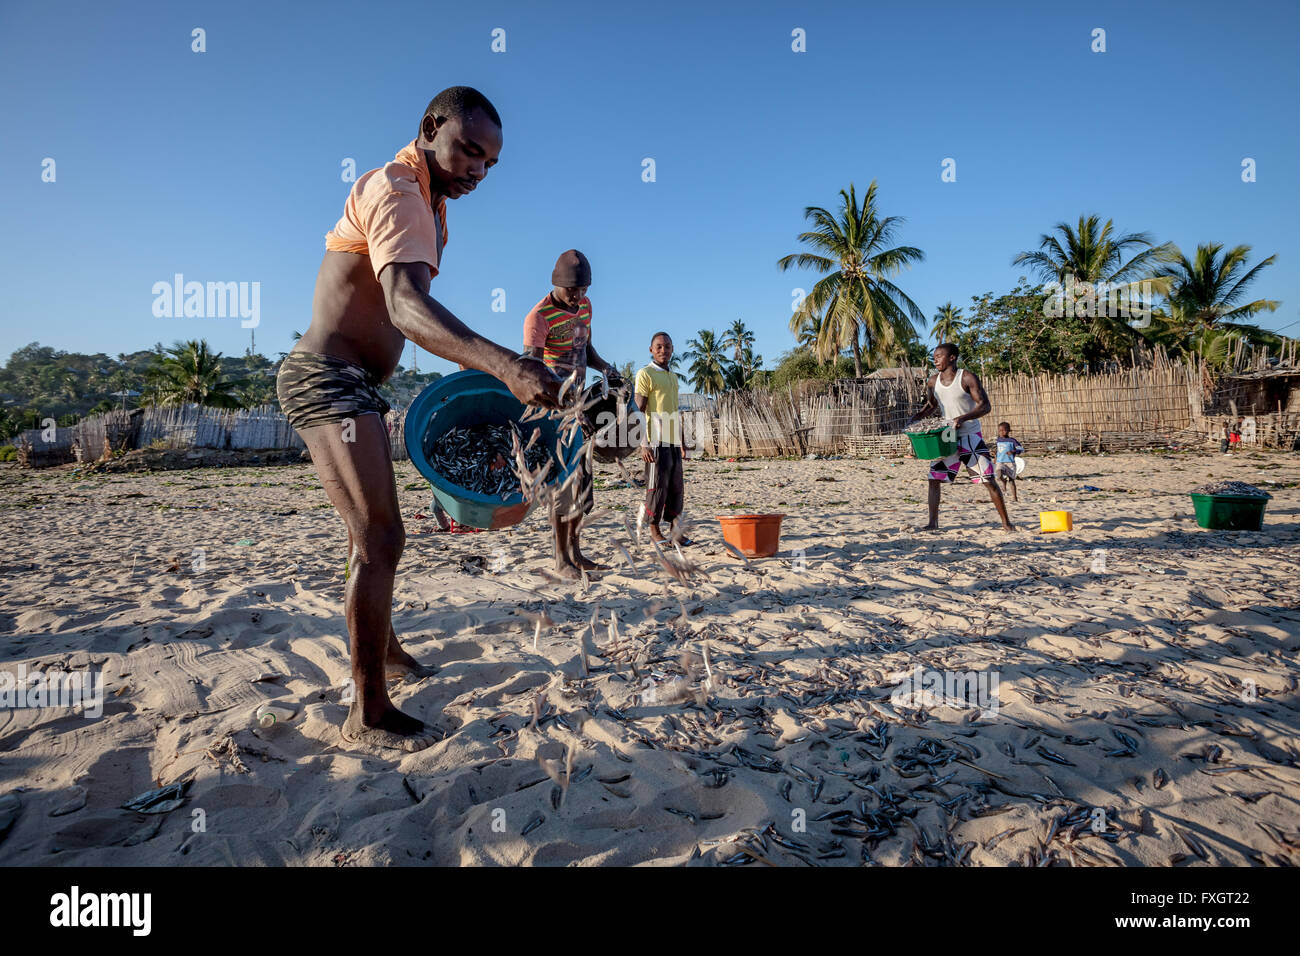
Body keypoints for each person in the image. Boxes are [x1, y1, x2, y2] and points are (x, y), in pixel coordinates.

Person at [276, 87, 561, 752]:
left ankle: (389, 655)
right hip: (326, 377)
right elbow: (404, 306)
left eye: (489, 162)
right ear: (430, 128)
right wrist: (508, 367)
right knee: (381, 540)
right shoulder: (398, 187)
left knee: (368, 538)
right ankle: (368, 712)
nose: (477, 170)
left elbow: (405, 310)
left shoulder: (431, 204)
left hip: (358, 384)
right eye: (468, 150)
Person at [522, 250, 622, 579]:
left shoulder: (586, 308)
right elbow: (531, 368)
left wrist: (604, 366)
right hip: (554, 413)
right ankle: (560, 558)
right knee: (563, 487)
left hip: (580, 407)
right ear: (557, 285)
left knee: (583, 486)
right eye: (572, 291)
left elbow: (585, 349)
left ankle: (577, 553)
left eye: (584, 290)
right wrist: (554, 398)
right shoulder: (538, 316)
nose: (578, 297)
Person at [907, 343, 1014, 531]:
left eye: (940, 356)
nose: (936, 359)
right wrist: (916, 418)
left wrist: (962, 418)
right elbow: (931, 405)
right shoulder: (933, 381)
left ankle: (1006, 523)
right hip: (946, 437)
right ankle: (933, 524)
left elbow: (984, 406)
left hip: (970, 435)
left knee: (988, 479)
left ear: (952, 357)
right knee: (934, 479)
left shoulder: (966, 377)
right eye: (934, 356)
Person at [635, 332, 688, 543]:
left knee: (676, 487)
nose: (663, 350)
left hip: (673, 440)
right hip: (655, 441)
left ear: (673, 349)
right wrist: (643, 444)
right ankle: (655, 531)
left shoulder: (673, 377)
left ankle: (676, 531)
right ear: (651, 350)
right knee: (657, 486)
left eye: (667, 346)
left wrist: (682, 441)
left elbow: (674, 410)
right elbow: (638, 409)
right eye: (658, 347)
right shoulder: (645, 374)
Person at [993, 421, 1024, 503]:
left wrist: (1013, 451)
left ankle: (1015, 497)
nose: (1002, 432)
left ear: (1009, 431)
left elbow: (1021, 449)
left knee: (1011, 480)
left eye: (1004, 430)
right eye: (1000, 430)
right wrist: (995, 457)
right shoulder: (998, 440)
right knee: (998, 474)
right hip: (1000, 462)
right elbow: (999, 450)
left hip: (1010, 463)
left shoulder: (1012, 440)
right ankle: (1004, 482)